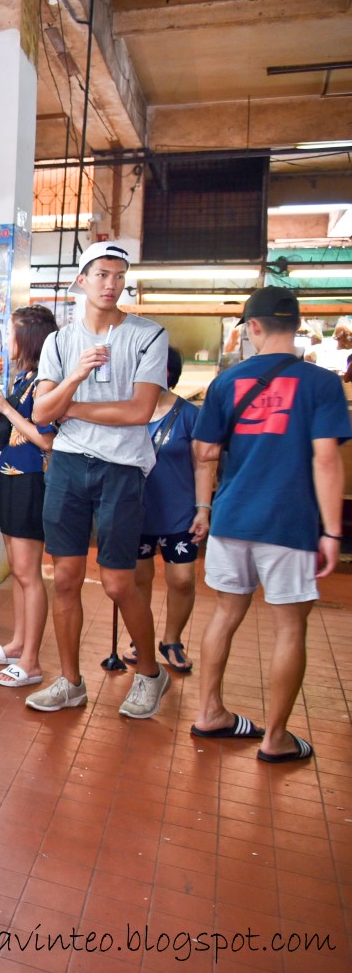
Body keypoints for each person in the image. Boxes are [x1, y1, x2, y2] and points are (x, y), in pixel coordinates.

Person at [190, 287, 349, 763]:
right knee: (289, 628)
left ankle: (208, 712)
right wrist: (333, 531)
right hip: (289, 522)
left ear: (253, 327)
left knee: (225, 614)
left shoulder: (225, 382)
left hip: (232, 517)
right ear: (297, 325)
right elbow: (326, 460)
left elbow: (204, 452)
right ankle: (275, 738)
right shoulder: (321, 384)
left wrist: (204, 506)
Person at [27, 241, 171, 718]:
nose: (111, 284)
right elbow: (41, 413)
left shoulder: (148, 335)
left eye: (119, 275)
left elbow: (139, 411)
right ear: (82, 280)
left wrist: (70, 408)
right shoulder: (59, 341)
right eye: (102, 274)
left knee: (118, 582)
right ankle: (70, 682)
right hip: (68, 464)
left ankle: (150, 673)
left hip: (122, 467)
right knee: (64, 578)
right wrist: (75, 378)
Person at [0, 305, 58, 688]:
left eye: (11, 333)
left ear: (29, 338)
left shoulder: (46, 383)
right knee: (20, 574)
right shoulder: (25, 378)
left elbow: (45, 439)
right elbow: (9, 434)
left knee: (28, 574)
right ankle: (18, 644)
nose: (7, 340)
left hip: (31, 482)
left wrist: (5, 407)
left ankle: (31, 662)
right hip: (11, 476)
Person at [127, 347, 209, 674]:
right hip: (136, 510)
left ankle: (172, 640)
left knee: (183, 580)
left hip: (179, 513)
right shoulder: (128, 411)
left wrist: (203, 508)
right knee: (139, 577)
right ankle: (141, 638)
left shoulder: (189, 415)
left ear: (166, 373)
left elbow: (203, 466)